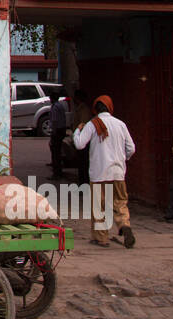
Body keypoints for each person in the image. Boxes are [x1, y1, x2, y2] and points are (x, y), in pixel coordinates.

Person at [73, 94, 135, 249]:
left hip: (99, 173)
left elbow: (80, 144)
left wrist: (77, 131)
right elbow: (131, 148)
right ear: (110, 108)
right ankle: (124, 225)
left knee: (99, 206)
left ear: (95, 109)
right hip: (118, 172)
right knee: (120, 202)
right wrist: (122, 159)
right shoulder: (120, 124)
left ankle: (102, 239)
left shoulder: (92, 124)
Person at [71, 89, 93, 184]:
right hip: (80, 139)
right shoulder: (80, 109)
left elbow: (83, 125)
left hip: (83, 140)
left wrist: (77, 135)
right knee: (81, 164)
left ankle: (84, 185)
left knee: (83, 164)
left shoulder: (84, 110)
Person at [49, 92, 70, 179]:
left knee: (55, 152)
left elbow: (54, 120)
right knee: (58, 151)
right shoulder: (60, 106)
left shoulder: (54, 107)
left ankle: (56, 172)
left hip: (57, 130)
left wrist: (53, 132)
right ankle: (59, 170)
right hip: (61, 129)